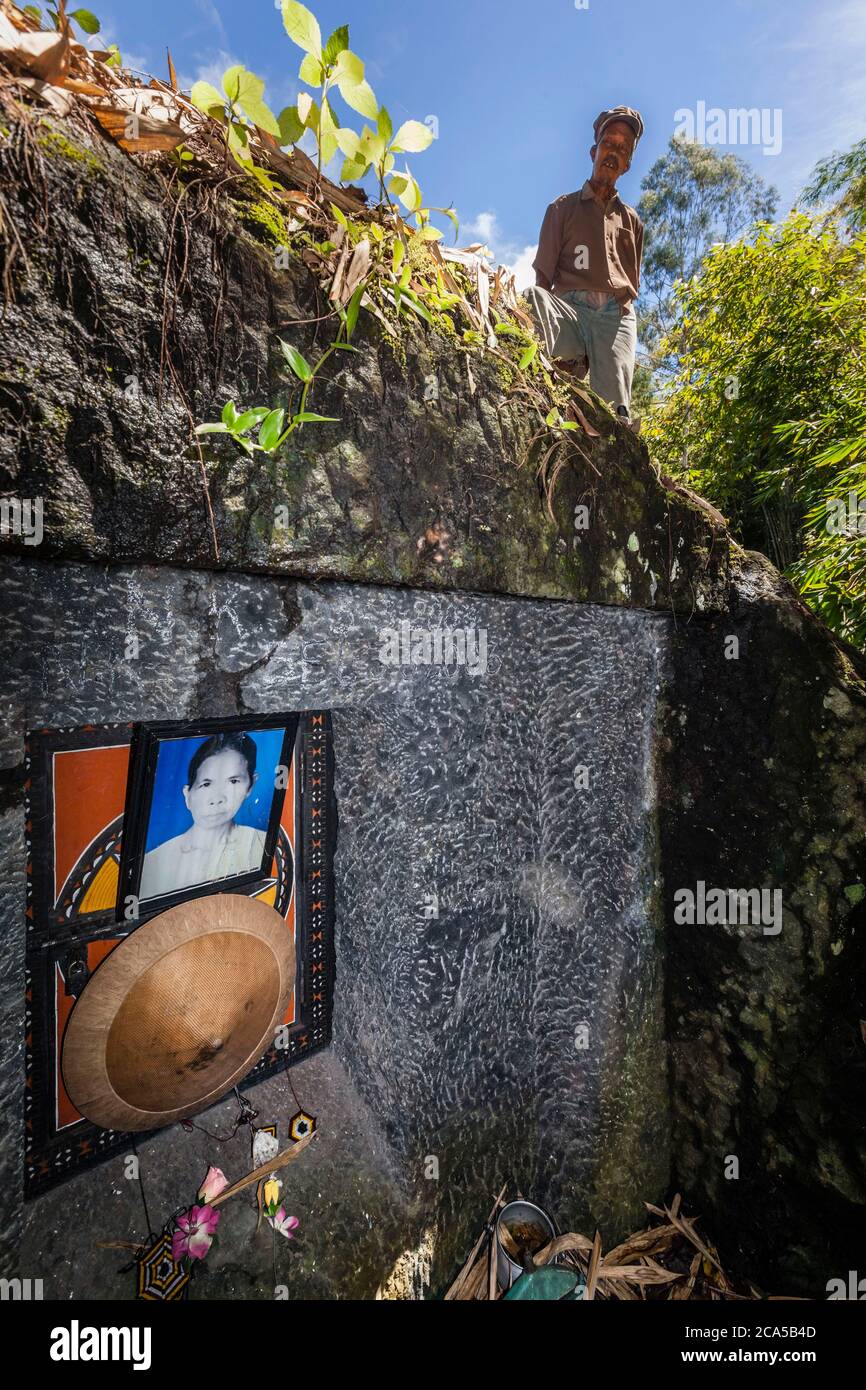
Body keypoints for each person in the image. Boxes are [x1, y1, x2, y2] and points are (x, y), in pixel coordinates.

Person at [525, 106, 645, 423]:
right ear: (594, 150)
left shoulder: (632, 221)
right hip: (570, 309)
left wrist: (615, 308)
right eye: (609, 143)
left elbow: (632, 280)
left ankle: (612, 420)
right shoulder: (562, 208)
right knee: (533, 298)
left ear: (628, 164)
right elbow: (542, 280)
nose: (614, 153)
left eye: (623, 149)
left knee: (616, 416)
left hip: (613, 318)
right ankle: (562, 369)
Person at [139, 732, 266, 899]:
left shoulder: (262, 844)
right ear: (187, 794)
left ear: (251, 785)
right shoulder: (153, 863)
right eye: (206, 784)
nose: (217, 799)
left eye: (233, 781)